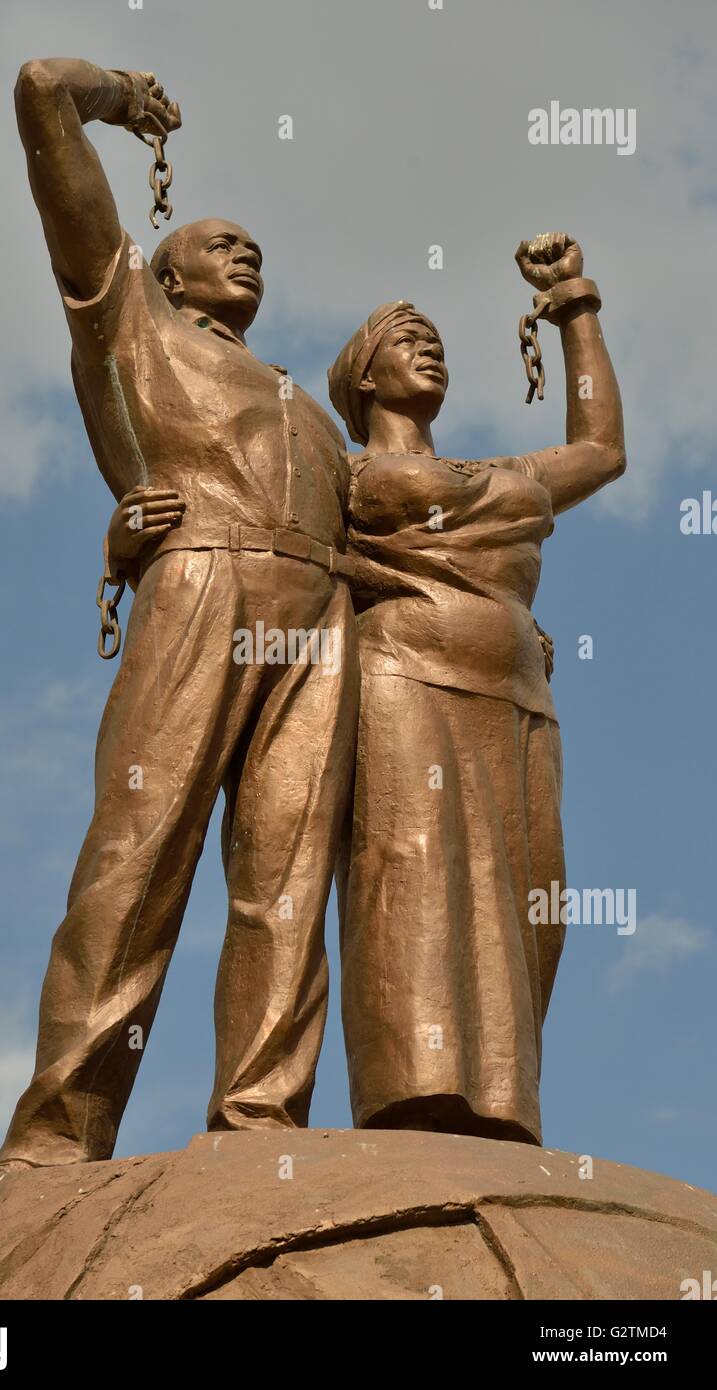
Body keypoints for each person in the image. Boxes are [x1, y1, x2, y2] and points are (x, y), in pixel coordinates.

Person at [0, 59, 358, 1190]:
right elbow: (38, 95)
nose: (245, 255)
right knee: (138, 855)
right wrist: (122, 97)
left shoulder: (313, 415)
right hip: (201, 579)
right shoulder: (126, 320)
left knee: (288, 881)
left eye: (256, 250)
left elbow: (399, 541)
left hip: (323, 611)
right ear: (163, 272)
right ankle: (54, 1139)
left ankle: (261, 1119)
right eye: (219, 243)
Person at [327, 233, 625, 1144]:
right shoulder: (338, 470)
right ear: (363, 379)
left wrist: (573, 304)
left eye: (435, 338)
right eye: (403, 336)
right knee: (411, 872)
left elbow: (602, 449)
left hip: (518, 702)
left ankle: (500, 1103)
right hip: (401, 676)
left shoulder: (506, 475)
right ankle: (411, 1097)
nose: (428, 346)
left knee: (527, 899)